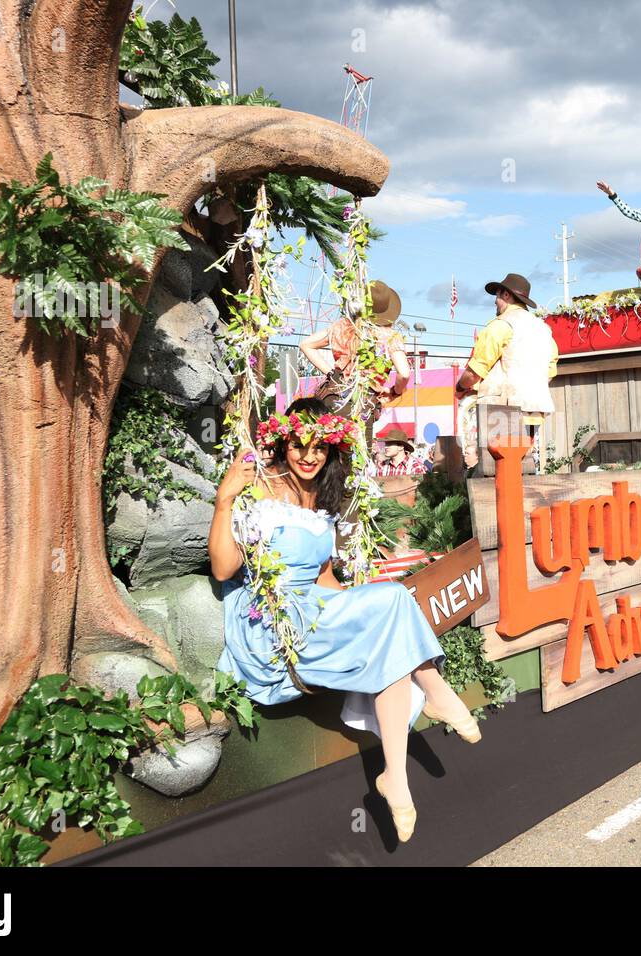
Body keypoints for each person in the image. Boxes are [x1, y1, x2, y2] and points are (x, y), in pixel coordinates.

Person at [207, 397, 480, 843]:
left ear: (331, 450)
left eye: (319, 447)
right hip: (270, 621)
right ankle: (437, 690)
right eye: (299, 444)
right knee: (390, 605)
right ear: (284, 442)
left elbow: (325, 577)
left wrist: (366, 609)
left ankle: (396, 779)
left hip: (312, 605)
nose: (309, 455)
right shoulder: (259, 487)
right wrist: (225, 498)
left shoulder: (322, 501)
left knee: (387, 625)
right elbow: (222, 570)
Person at [456, 273, 559, 468]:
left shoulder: (502, 324)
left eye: (497, 296)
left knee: (495, 468)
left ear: (506, 295)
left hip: (502, 407)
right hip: (534, 410)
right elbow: (550, 372)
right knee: (525, 466)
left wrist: (461, 386)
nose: (495, 301)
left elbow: (476, 369)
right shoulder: (544, 329)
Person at [299, 280, 411, 427]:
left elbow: (305, 344)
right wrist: (395, 391)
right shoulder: (389, 336)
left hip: (333, 397)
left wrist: (332, 375)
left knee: (329, 445)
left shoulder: (341, 326)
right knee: (357, 447)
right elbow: (404, 374)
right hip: (362, 401)